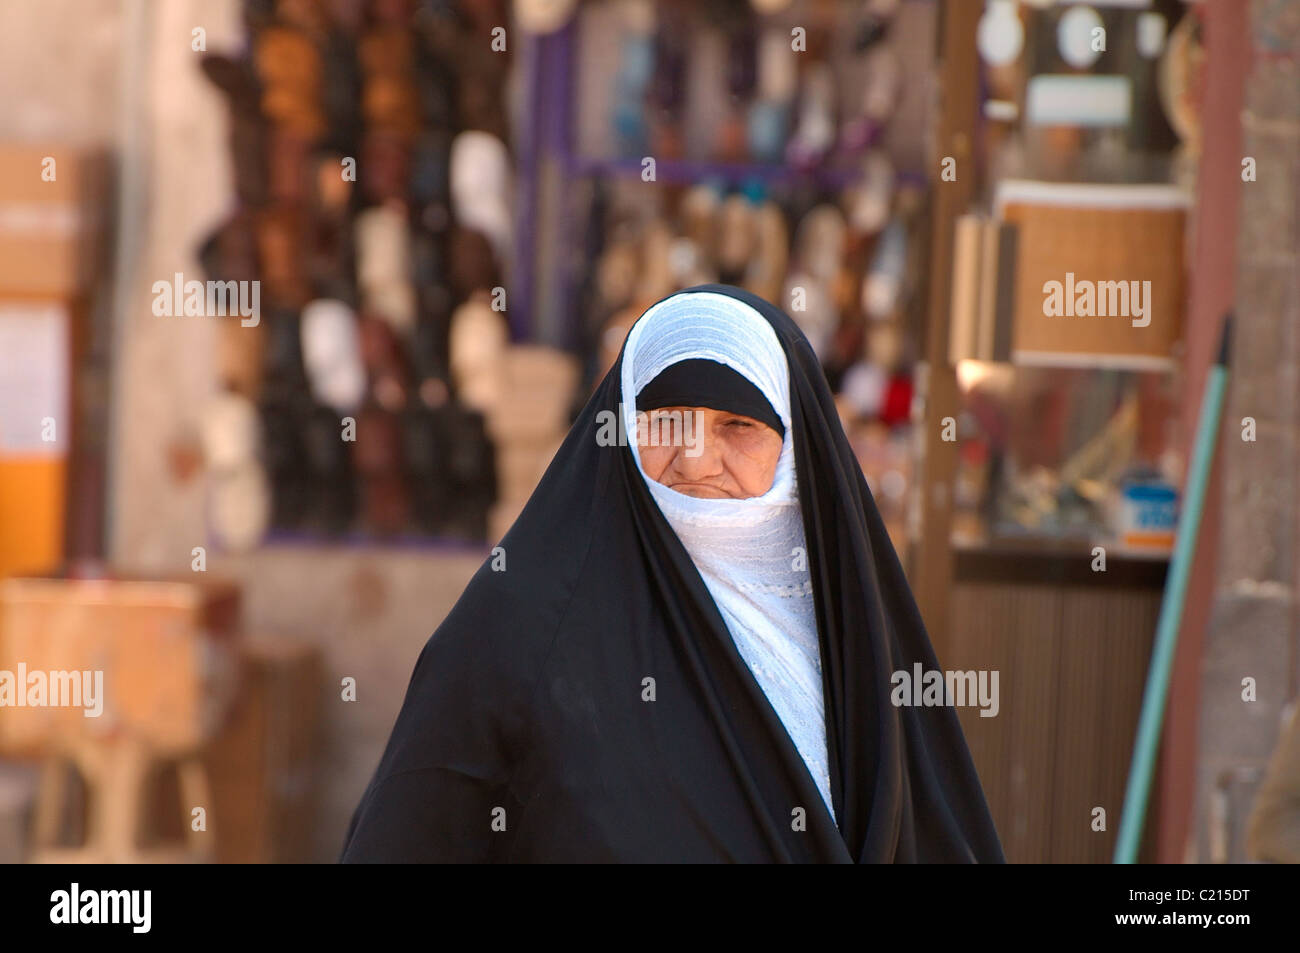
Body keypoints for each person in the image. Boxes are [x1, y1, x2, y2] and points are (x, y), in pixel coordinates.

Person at [339, 284, 1004, 862]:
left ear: (797, 446)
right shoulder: (518, 629)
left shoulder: (849, 623)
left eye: (738, 424)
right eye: (667, 420)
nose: (695, 458)